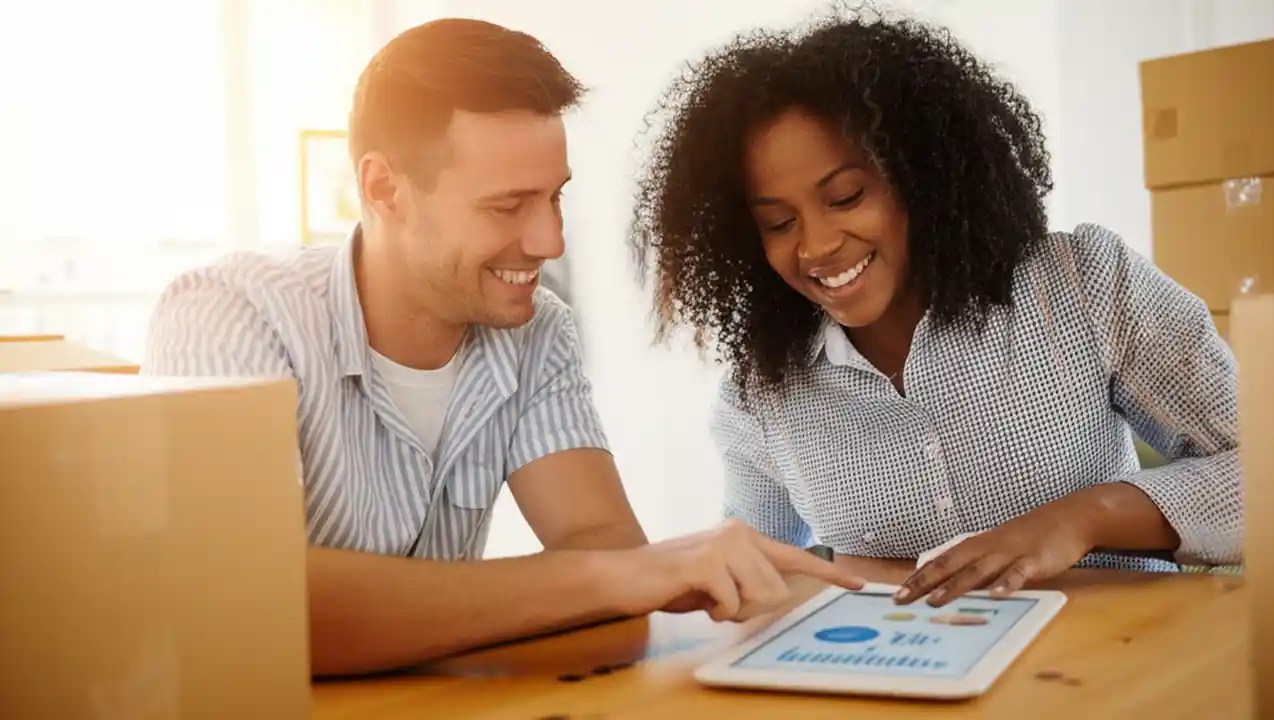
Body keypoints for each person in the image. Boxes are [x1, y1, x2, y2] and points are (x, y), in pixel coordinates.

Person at [143, 18, 862, 676]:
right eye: (506, 206)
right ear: (384, 188)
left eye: (554, 197)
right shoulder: (230, 314)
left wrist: (617, 574)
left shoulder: (535, 330)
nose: (549, 241)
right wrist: (622, 574)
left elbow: (604, 546)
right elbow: (252, 609)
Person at [630, 10, 1241, 609]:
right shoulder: (759, 397)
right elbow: (754, 573)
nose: (815, 247)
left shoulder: (1082, 282)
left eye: (846, 197)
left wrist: (1086, 517)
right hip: (909, 671)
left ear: (920, 176)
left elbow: (1260, 471)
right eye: (779, 223)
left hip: (1121, 658)